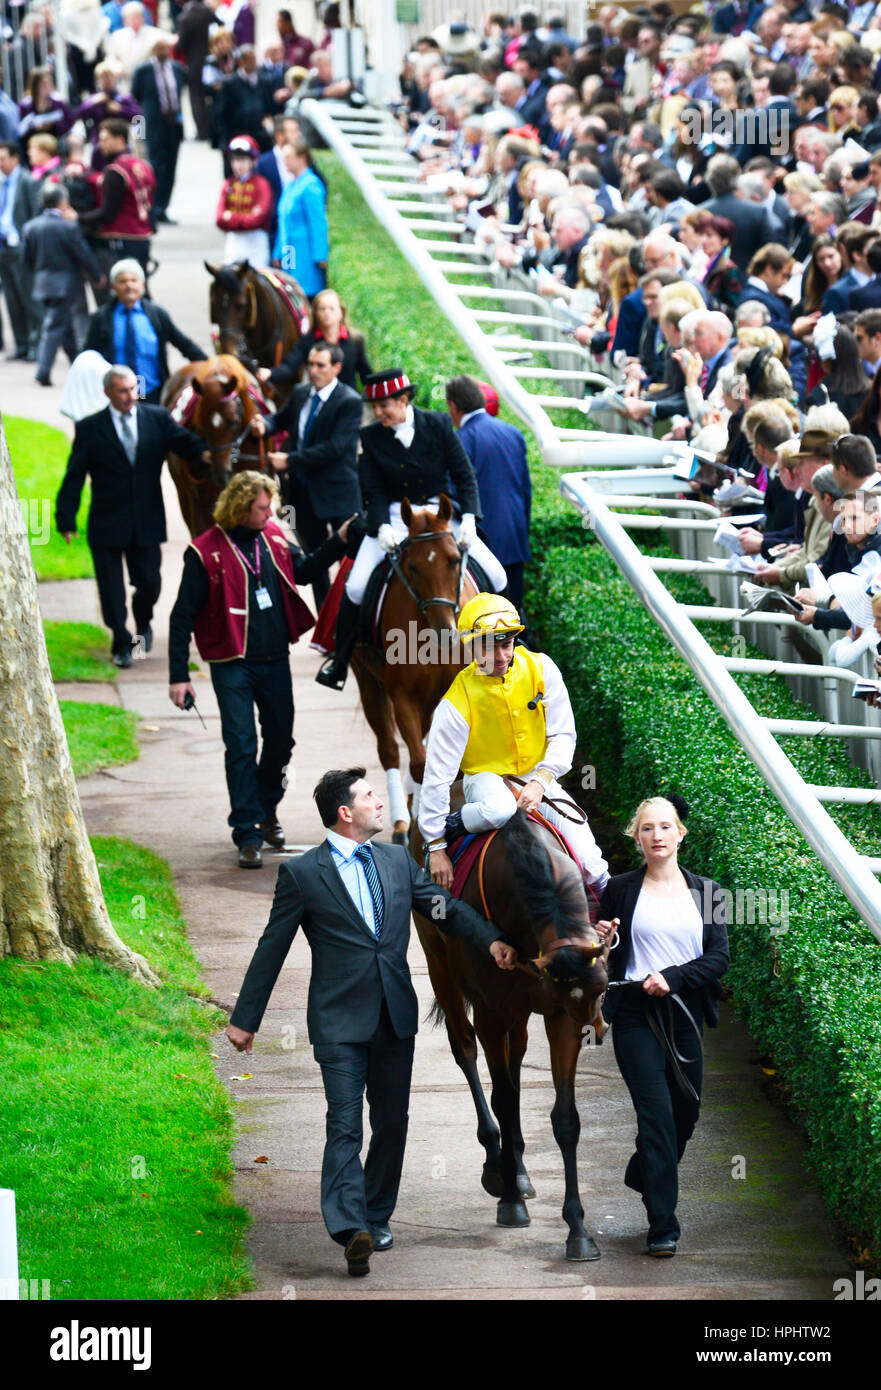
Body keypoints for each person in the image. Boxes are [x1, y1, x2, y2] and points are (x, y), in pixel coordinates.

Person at [225, 765, 516, 1274]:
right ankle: (349, 1227)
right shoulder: (303, 873)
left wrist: (490, 940)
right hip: (337, 1022)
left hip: (393, 1016)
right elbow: (273, 945)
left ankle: (376, 1216)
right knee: (344, 1124)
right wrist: (245, 1019)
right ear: (345, 812)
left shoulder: (396, 861)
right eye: (368, 797)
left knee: (392, 1122)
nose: (380, 803)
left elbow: (443, 908)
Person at [168, 473, 353, 867]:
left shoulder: (273, 537)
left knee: (281, 742)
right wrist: (179, 676)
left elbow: (305, 571)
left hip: (274, 661)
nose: (271, 514)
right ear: (240, 508)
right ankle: (247, 831)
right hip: (230, 664)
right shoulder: (204, 551)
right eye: (263, 508)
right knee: (241, 745)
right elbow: (181, 616)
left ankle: (265, 809)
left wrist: (338, 540)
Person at [316, 367, 507, 691]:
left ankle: (514, 645)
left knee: (497, 575)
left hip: (440, 516)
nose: (378, 413)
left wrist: (470, 518)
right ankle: (340, 660)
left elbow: (464, 475)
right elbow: (373, 491)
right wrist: (380, 526)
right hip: (395, 518)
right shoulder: (371, 437)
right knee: (356, 587)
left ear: (403, 400)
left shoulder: (438, 424)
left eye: (384, 406)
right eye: (374, 407)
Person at [595, 796, 729, 1257]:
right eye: (648, 828)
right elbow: (604, 956)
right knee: (655, 1115)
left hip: (686, 1012)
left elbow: (719, 958)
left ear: (680, 834)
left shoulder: (708, 892)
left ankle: (644, 1172)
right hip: (636, 1013)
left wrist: (673, 977)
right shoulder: (620, 889)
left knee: (685, 1114)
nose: (657, 835)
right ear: (637, 838)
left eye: (665, 827)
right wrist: (603, 942)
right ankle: (662, 1226)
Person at [419, 593, 608, 900]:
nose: (500, 656)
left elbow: (563, 735)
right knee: (501, 809)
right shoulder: (455, 702)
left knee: (593, 865)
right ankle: (456, 823)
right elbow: (437, 777)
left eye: (506, 644)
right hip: (485, 778)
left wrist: (541, 781)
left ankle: (609, 921)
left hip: (538, 776)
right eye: (488, 647)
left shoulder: (543, 668)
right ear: (470, 646)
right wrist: (436, 845)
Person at [55, 364, 210, 666]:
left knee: (150, 583)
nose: (130, 396)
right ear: (108, 393)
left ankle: (143, 621)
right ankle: (121, 642)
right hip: (107, 523)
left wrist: (212, 454)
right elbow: (75, 475)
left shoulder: (157, 419)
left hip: (146, 520)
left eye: (132, 390)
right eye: (122, 391)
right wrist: (66, 518)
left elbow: (186, 444)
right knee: (112, 592)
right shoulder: (90, 428)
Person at [263, 341, 363, 611]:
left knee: (350, 560)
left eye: (321, 365)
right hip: (303, 494)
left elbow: (335, 448)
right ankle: (325, 621)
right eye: (310, 364)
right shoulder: (300, 393)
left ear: (337, 368)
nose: (314, 370)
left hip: (338, 493)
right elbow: (280, 420)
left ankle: (350, 619)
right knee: (315, 562)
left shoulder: (349, 401)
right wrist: (263, 424)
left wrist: (290, 460)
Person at [445, 375, 531, 608]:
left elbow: (454, 495)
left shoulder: (459, 440)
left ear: (453, 406)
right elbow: (525, 491)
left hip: (479, 545)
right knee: (513, 614)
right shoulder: (513, 432)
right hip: (514, 539)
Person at [84, 258, 207, 402]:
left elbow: (185, 345)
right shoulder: (102, 318)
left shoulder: (157, 315)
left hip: (152, 393)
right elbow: (87, 355)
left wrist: (211, 366)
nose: (129, 286)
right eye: (123, 281)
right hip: (115, 395)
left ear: (142, 285)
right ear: (113, 287)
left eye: (133, 280)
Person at [22, 182, 105, 386]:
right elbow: (83, 254)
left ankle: (78, 368)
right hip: (66, 284)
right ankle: (43, 371)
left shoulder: (31, 227)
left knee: (65, 328)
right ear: (63, 202)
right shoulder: (68, 227)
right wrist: (97, 276)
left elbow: (27, 260)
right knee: (54, 326)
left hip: (43, 283)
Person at [76, 117, 156, 287]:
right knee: (140, 287)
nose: (100, 145)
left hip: (123, 239)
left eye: (105, 140)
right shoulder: (142, 165)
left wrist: (77, 217)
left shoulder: (115, 171)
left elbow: (107, 214)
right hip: (143, 236)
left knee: (126, 290)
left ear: (120, 140)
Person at [259, 287, 372, 393]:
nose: (327, 313)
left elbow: (365, 372)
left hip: (349, 400)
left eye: (332, 309)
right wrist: (270, 373)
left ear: (341, 313)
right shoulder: (307, 340)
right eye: (322, 309)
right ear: (315, 313)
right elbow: (290, 366)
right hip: (319, 398)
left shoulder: (355, 340)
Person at [131, 33, 185, 224]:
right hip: (153, 125)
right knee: (155, 166)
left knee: (170, 167)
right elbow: (134, 102)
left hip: (173, 125)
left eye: (167, 48)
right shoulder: (143, 70)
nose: (164, 52)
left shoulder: (177, 69)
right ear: (153, 51)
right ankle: (152, 206)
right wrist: (138, 131)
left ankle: (163, 206)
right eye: (160, 48)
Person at [0, 139, 42, 360]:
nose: (1, 164)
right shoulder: (2, 182)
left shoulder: (27, 181)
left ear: (15, 158)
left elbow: (35, 214)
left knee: (29, 299)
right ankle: (21, 344)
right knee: (12, 300)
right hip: (3, 247)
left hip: (21, 248)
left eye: (3, 159)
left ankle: (36, 344)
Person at [272, 140, 328, 298]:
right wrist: (278, 252)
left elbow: (318, 222)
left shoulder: (310, 185)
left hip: (305, 253)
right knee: (290, 292)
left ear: (302, 158)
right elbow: (283, 221)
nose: (285, 161)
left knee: (305, 294)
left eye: (289, 157)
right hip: (289, 251)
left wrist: (320, 255)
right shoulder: (290, 185)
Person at [215, 134, 273, 265]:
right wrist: (247, 217)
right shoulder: (228, 184)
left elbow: (259, 219)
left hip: (256, 241)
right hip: (234, 241)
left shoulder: (262, 184)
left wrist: (231, 216)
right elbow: (219, 218)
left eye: (243, 160)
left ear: (253, 161)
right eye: (235, 160)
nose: (238, 165)